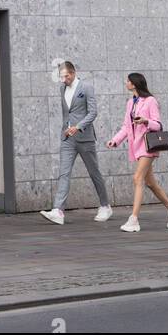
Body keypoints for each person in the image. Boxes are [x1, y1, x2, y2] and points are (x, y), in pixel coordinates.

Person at [107, 73, 168, 233]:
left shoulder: (150, 101)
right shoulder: (130, 103)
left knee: (137, 178)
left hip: (148, 146)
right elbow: (126, 127)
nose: (126, 83)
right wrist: (115, 140)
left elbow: (158, 124)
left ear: (134, 84)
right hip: (137, 147)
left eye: (128, 80)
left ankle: (133, 220)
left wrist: (146, 121)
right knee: (150, 183)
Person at [41, 62, 113, 226]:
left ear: (73, 73)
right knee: (64, 173)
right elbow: (67, 113)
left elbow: (93, 112)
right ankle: (58, 211)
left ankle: (105, 206)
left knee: (94, 172)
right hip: (67, 138)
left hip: (84, 137)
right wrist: (67, 129)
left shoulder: (86, 87)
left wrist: (78, 127)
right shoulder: (62, 88)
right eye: (61, 76)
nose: (63, 79)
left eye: (66, 76)